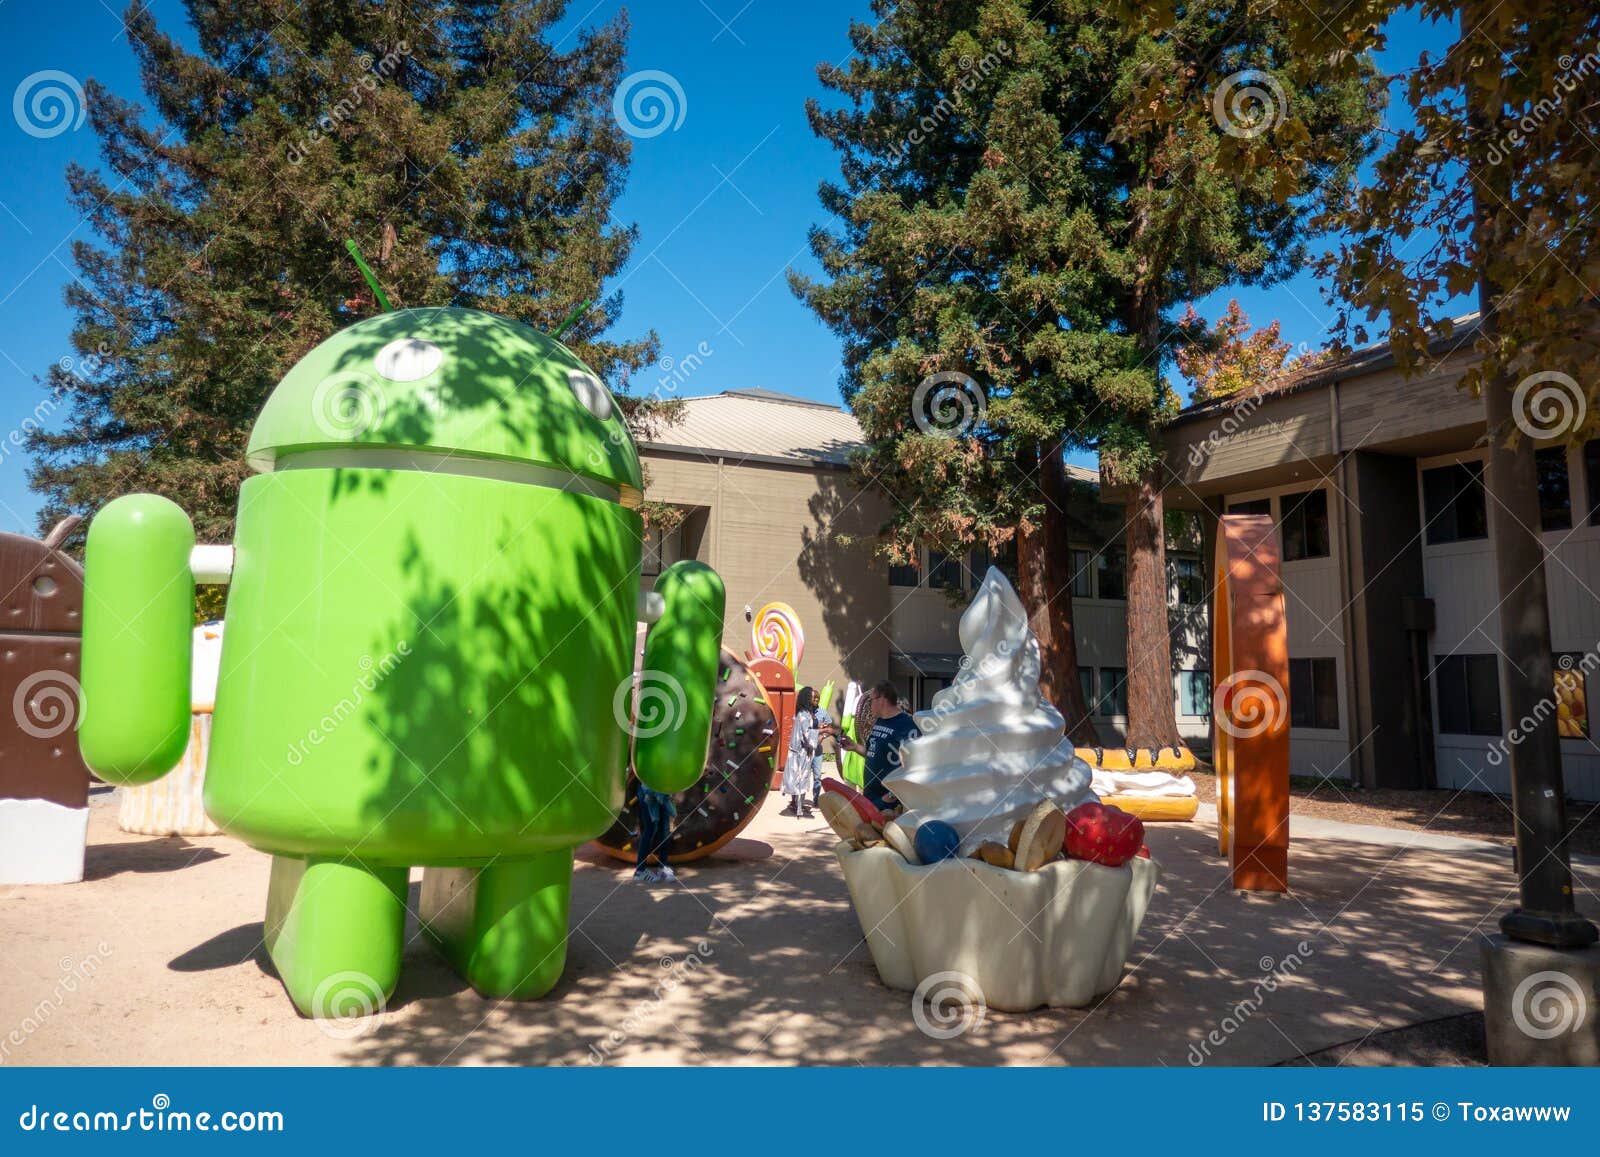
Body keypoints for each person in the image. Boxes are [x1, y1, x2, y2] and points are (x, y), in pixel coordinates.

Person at [830, 681, 919, 812]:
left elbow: (914, 766)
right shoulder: (880, 721)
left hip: (890, 806)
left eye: (871, 700)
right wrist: (854, 746)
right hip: (871, 800)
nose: (868, 705)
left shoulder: (907, 726)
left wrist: (891, 796)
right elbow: (872, 752)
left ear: (882, 699)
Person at [781, 686, 820, 818]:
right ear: (806, 698)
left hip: (799, 752)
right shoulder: (804, 715)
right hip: (801, 753)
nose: (814, 698)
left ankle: (797, 805)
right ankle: (799, 808)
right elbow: (808, 735)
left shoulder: (803, 713)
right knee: (801, 779)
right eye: (812, 696)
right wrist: (822, 733)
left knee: (797, 779)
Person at [634, 785, 677, 883]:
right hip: (647, 792)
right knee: (650, 829)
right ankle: (640, 871)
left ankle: (662, 867)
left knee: (664, 829)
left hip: (664, 791)